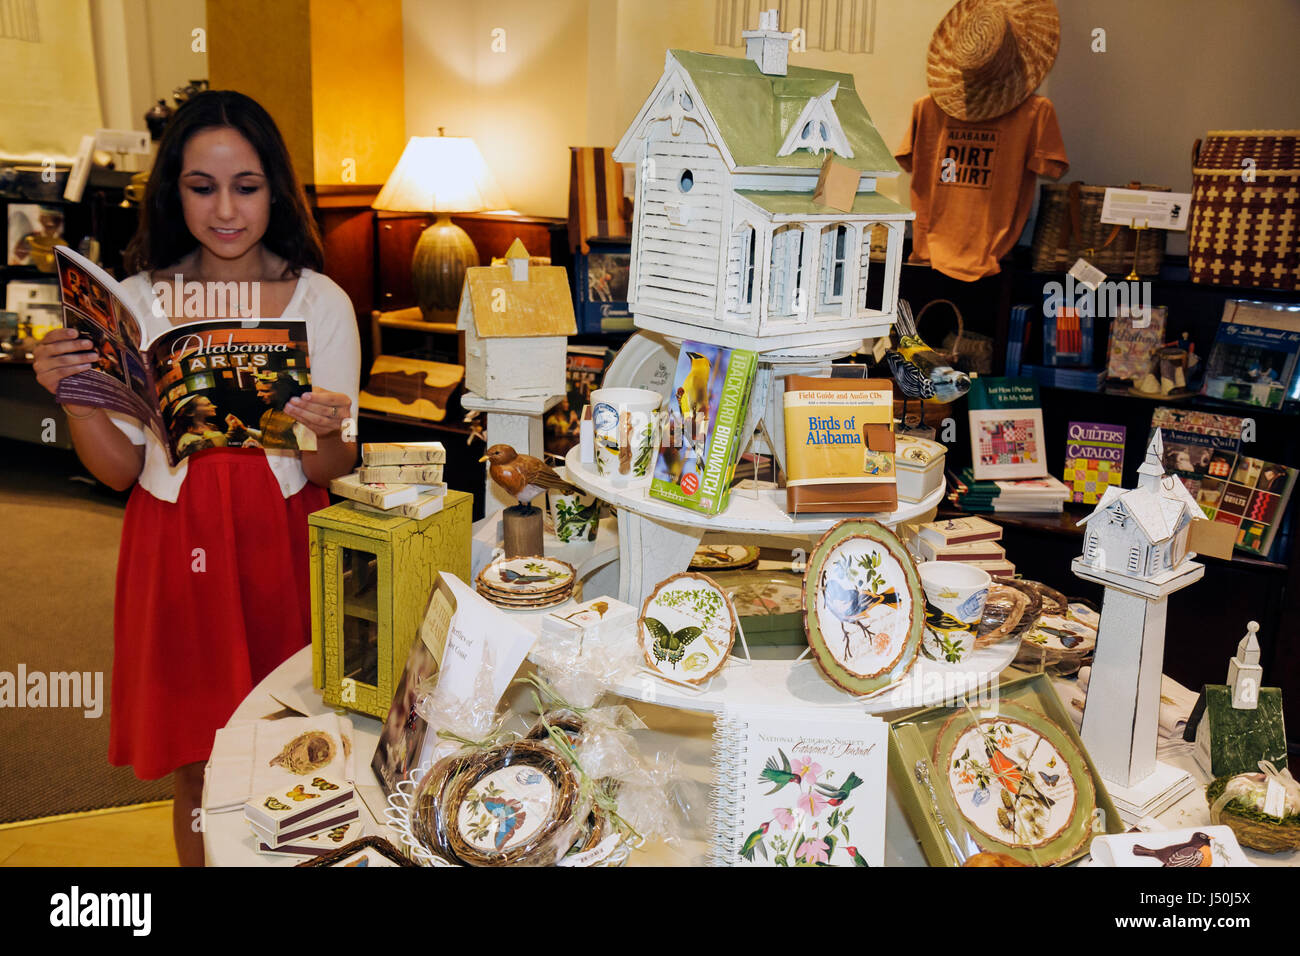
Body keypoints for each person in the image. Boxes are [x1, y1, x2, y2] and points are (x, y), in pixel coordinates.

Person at [31, 90, 360, 866]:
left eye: (245, 186)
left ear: (274, 190)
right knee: (197, 764)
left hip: (279, 535)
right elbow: (117, 472)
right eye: (201, 186)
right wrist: (76, 401)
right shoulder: (136, 301)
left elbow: (335, 467)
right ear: (172, 190)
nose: (224, 210)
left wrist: (322, 429)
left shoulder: (323, 301)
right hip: (174, 542)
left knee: (296, 752)